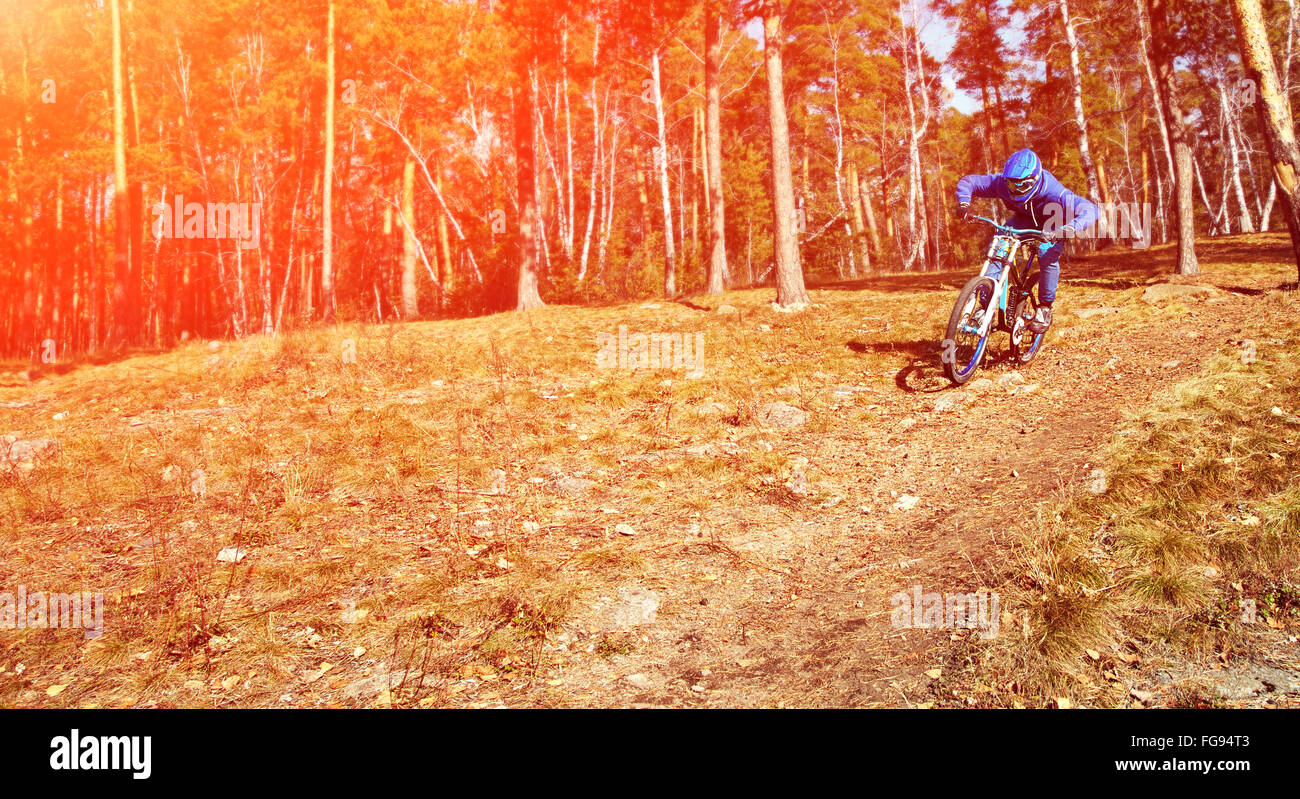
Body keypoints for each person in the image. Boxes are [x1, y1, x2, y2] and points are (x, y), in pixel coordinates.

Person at [955, 149, 1098, 333]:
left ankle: (1045, 307)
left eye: (1022, 186)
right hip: (1023, 221)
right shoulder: (1002, 184)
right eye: (1011, 185)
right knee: (999, 245)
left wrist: (1069, 229)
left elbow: (1090, 209)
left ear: (1036, 179)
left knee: (1047, 253)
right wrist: (964, 203)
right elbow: (969, 182)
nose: (1014, 190)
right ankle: (985, 307)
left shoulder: (1054, 192)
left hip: (1053, 224)